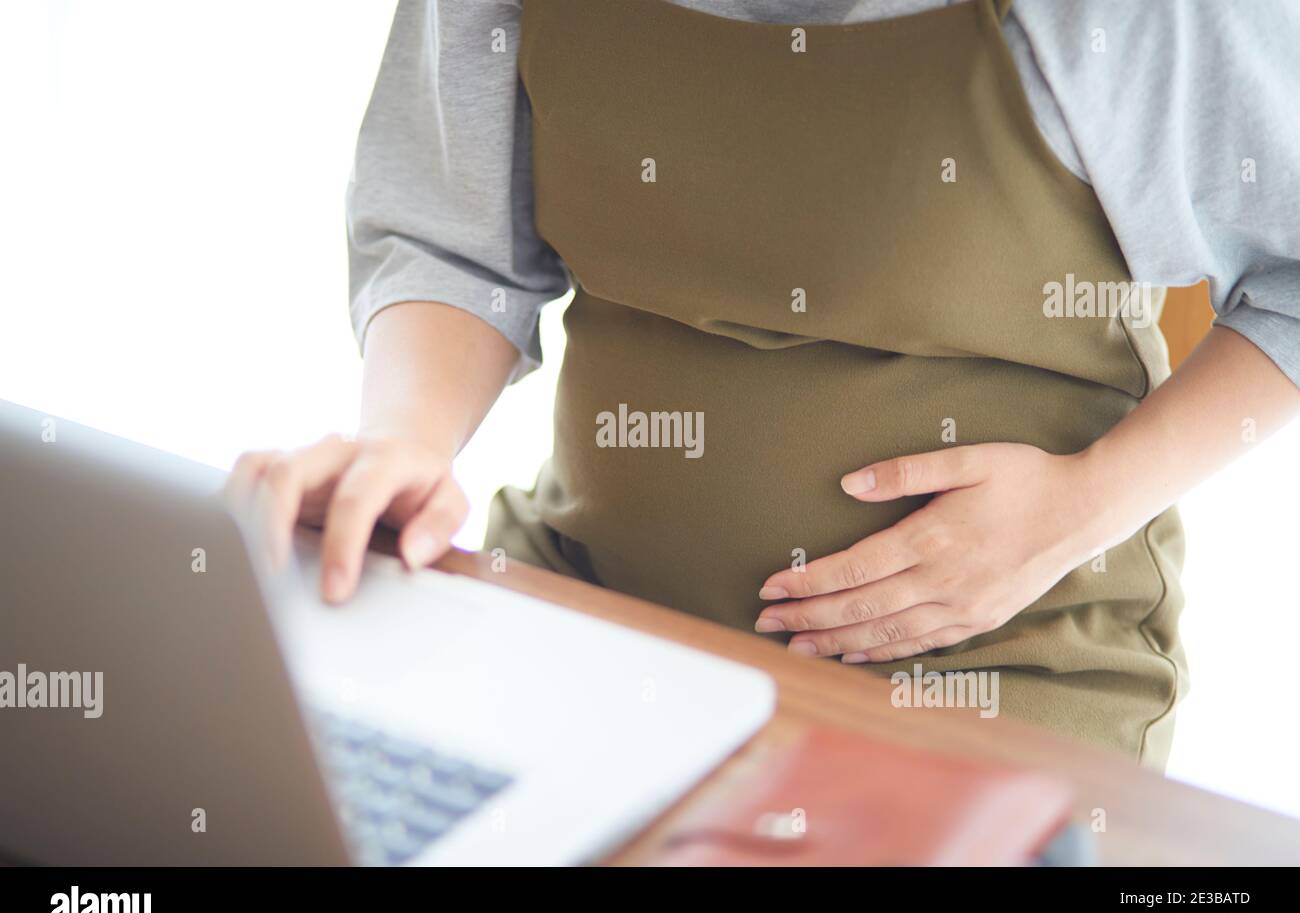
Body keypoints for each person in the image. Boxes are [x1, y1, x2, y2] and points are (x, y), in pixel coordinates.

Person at [228, 0, 1300, 768]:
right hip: (597, 602)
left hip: (998, 661)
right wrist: (407, 440)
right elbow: (451, 244)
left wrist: (1080, 506)